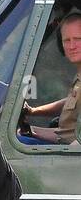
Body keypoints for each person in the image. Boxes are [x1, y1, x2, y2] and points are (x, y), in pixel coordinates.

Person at [21, 12, 80, 146]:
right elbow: (72, 102)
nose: (72, 46)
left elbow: (73, 144)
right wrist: (33, 112)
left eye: (78, 39)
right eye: (67, 40)